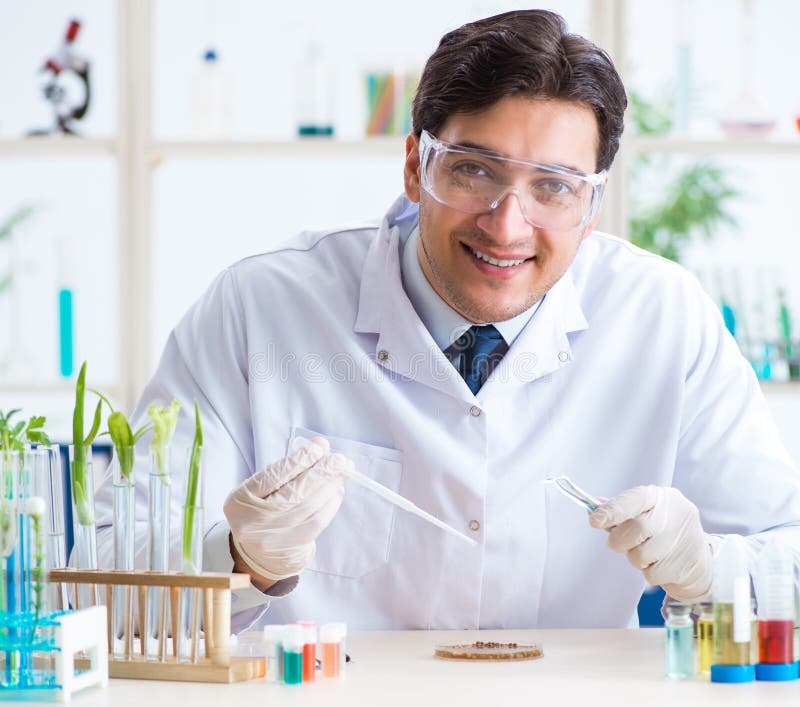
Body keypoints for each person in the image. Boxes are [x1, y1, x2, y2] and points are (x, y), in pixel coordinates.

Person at [95, 9, 800, 632]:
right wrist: (241, 558)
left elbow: (788, 556)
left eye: (553, 187)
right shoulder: (257, 310)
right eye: (473, 171)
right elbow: (100, 583)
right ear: (415, 166)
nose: (507, 224)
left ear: (593, 206)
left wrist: (707, 567)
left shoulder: (663, 319)